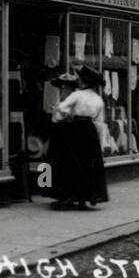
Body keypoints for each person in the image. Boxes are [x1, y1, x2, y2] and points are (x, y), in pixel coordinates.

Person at [51, 66, 109, 209]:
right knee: (88, 163)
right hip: (90, 130)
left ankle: (72, 195)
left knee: (74, 163)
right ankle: (88, 196)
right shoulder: (98, 99)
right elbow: (99, 121)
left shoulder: (77, 95)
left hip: (75, 129)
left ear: (83, 82)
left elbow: (62, 108)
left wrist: (58, 115)